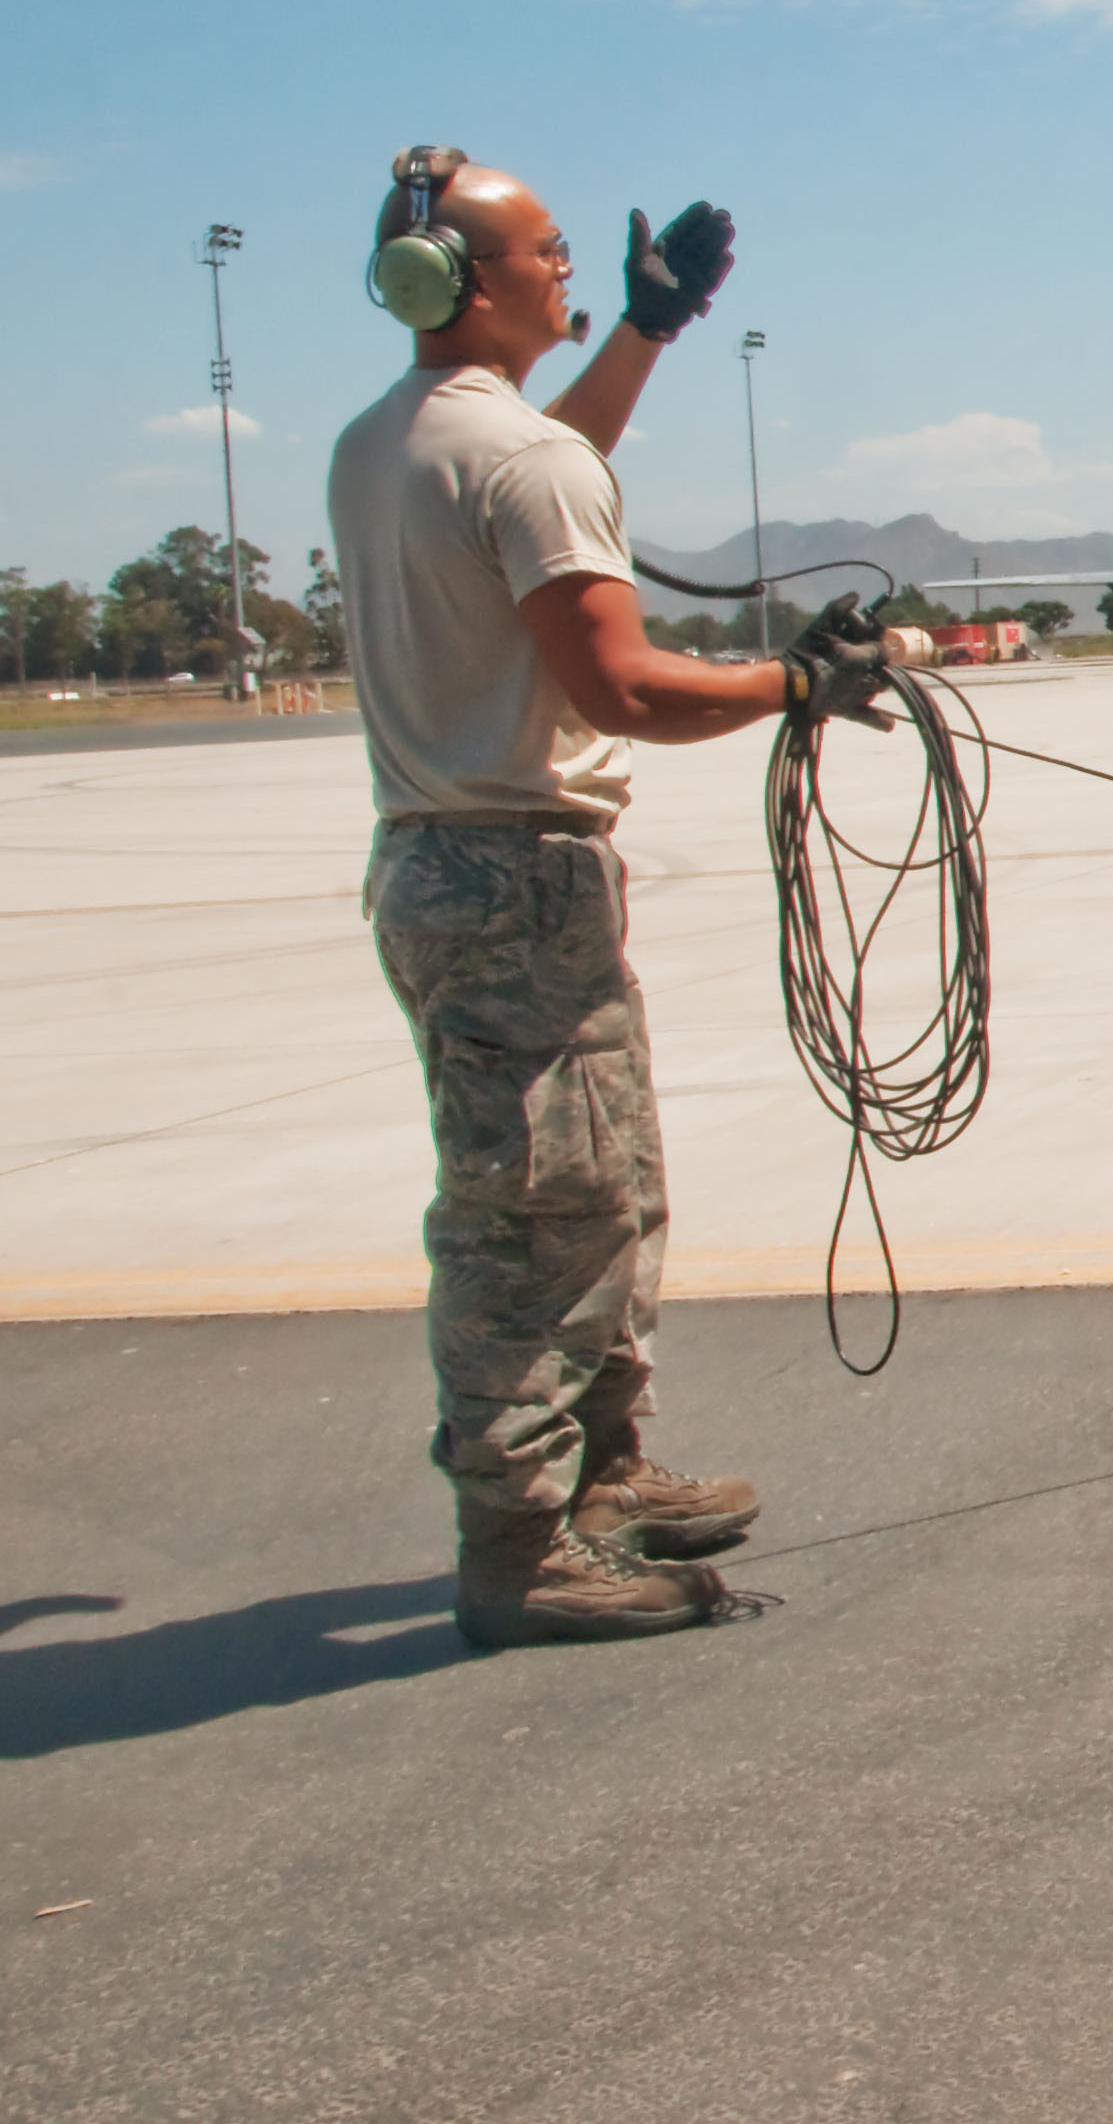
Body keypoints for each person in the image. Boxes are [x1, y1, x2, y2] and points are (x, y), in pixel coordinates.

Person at [327, 146, 890, 1648]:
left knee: (601, 1189)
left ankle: (603, 1475)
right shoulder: (523, 460)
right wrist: (798, 683)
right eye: (554, 255)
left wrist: (643, 332)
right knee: (532, 1214)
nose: (573, 271)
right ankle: (520, 1541)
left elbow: (536, 470)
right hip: (516, 871)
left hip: (448, 862)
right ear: (462, 281)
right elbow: (624, 682)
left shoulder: (393, 439)